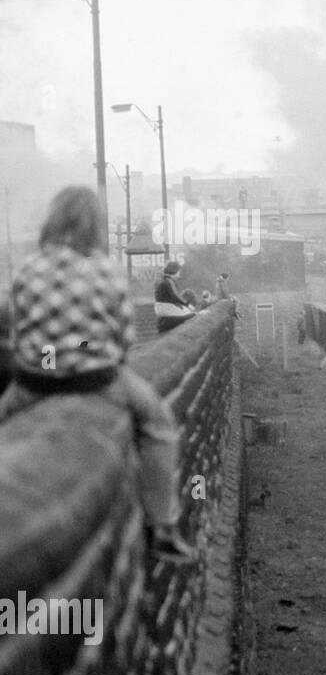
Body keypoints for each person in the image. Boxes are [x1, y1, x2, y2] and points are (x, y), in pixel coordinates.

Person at [0, 186, 190, 559]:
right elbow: (123, 339)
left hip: (35, 378)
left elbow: (18, 334)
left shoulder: (28, 268)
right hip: (96, 381)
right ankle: (162, 524)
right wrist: (87, 350)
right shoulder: (107, 270)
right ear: (96, 227)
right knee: (158, 424)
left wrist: (47, 358)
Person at [155, 260, 194, 333]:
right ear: (174, 271)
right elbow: (176, 296)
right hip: (166, 308)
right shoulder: (169, 281)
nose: (180, 273)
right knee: (192, 316)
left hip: (161, 308)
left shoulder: (164, 280)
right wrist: (187, 304)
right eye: (179, 271)